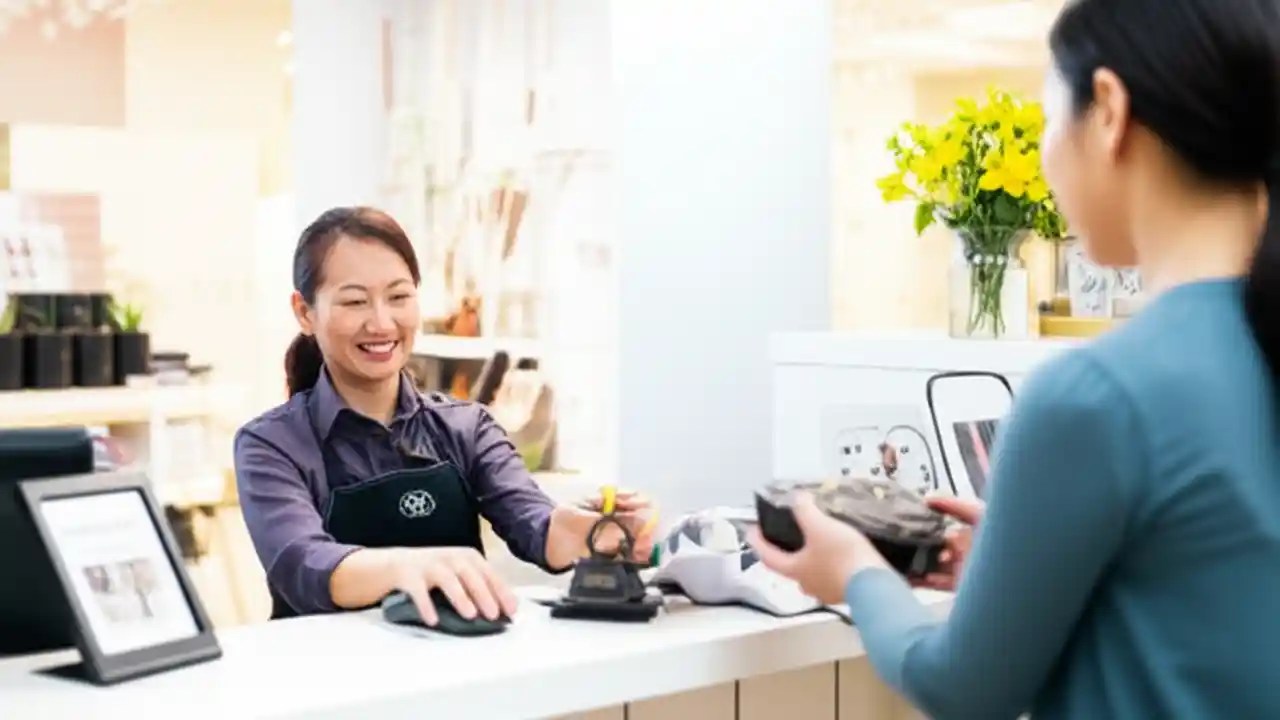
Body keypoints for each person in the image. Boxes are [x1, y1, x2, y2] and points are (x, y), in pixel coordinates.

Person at [749, 1, 1280, 717]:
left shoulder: (1096, 395)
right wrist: (1022, 561)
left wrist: (855, 571)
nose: (1045, 157)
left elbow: (961, 688)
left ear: (1109, 111)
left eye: (1048, 118)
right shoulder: (1243, 350)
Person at [235, 206, 654, 625]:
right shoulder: (272, 444)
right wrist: (406, 568)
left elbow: (535, 523)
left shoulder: (467, 427)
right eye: (355, 301)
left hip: (459, 658)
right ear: (305, 312)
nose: (381, 323)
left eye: (399, 297)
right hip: (332, 664)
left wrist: (590, 532)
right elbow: (302, 565)